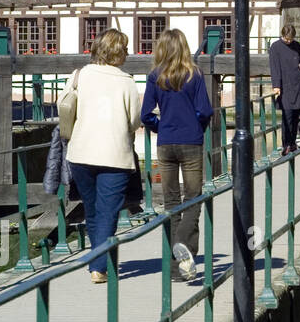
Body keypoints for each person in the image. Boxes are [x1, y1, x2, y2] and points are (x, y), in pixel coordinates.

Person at [63, 28, 142, 285]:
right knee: (108, 212)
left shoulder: (80, 75)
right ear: (119, 53)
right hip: (114, 155)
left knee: (93, 210)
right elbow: (134, 120)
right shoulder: (127, 81)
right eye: (126, 49)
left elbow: (64, 106)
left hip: (81, 152)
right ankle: (98, 266)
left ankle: (98, 262)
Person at [141, 28, 212, 282]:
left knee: (171, 203)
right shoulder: (194, 74)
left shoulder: (155, 76)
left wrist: (161, 126)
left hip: (166, 143)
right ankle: (184, 247)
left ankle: (175, 270)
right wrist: (194, 125)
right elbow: (205, 110)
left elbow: (145, 115)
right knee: (193, 198)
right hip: (191, 141)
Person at [269, 23, 300, 155]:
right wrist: (276, 85)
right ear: (283, 35)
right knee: (287, 117)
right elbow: (274, 67)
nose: (289, 41)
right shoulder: (275, 47)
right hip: (285, 85)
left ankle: (292, 143)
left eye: (291, 39)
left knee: (296, 116)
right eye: (287, 39)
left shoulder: (297, 46)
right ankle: (286, 144)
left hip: (297, 84)